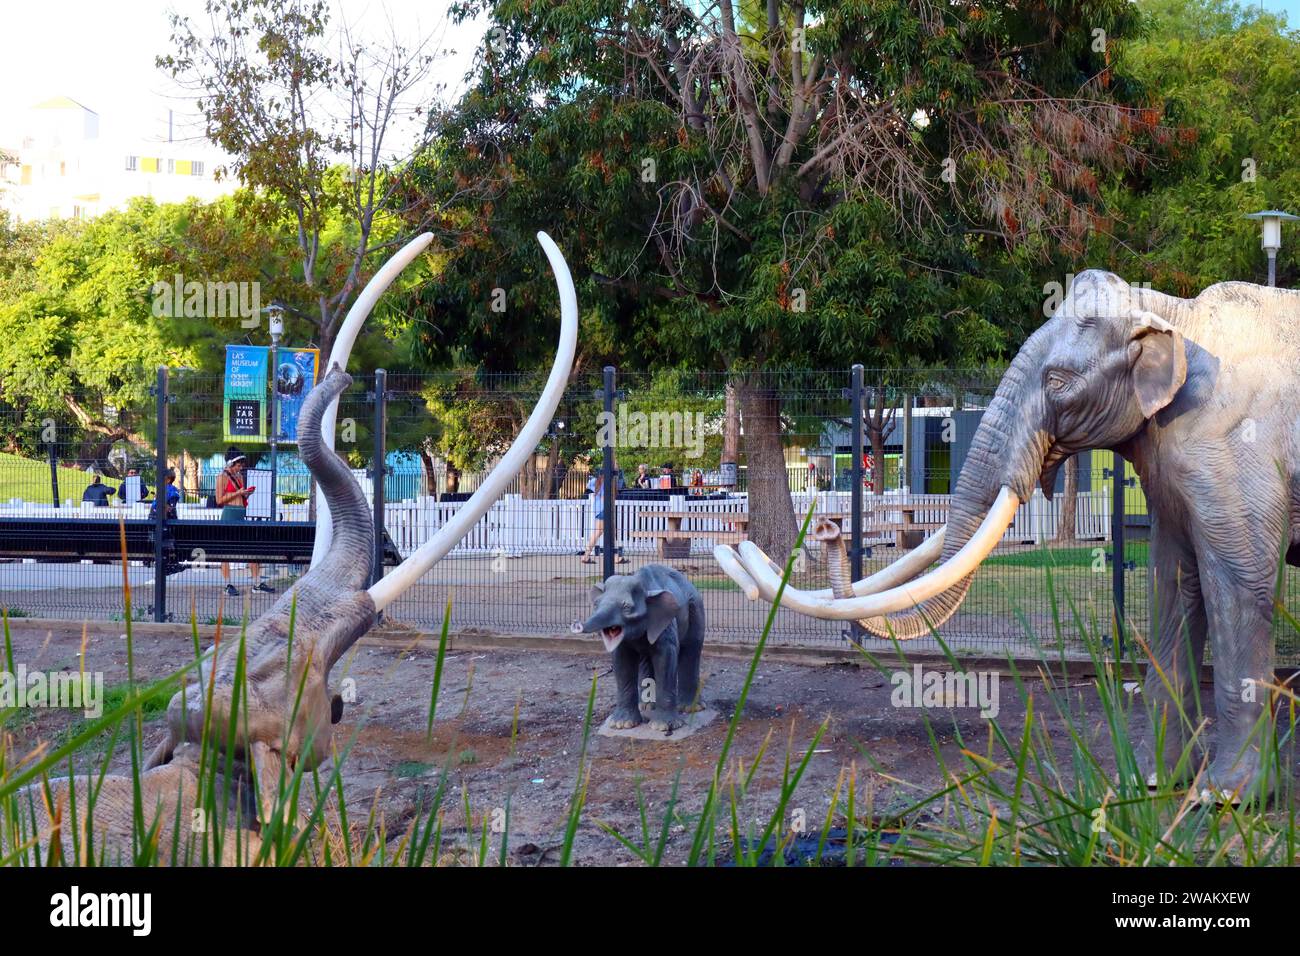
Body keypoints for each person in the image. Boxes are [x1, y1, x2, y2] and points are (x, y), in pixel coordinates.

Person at [216, 448, 275, 596]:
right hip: (229, 514)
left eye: (241, 465)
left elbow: (241, 498)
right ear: (231, 463)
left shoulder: (239, 477)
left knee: (251, 548)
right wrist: (238, 493)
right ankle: (227, 584)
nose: (240, 467)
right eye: (238, 465)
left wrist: (246, 494)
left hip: (241, 513)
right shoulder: (222, 477)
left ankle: (257, 583)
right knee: (225, 551)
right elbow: (219, 500)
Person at [580, 469, 628, 565]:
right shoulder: (609, 483)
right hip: (605, 509)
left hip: (598, 509)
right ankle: (614, 558)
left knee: (603, 532)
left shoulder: (595, 481)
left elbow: (588, 485)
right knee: (608, 533)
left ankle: (586, 556)